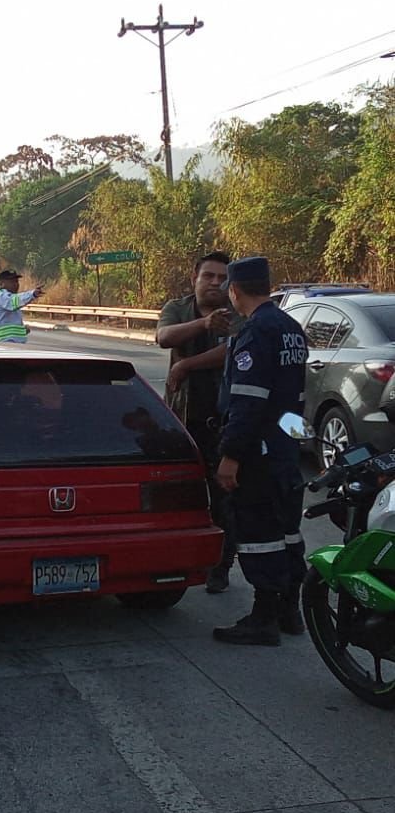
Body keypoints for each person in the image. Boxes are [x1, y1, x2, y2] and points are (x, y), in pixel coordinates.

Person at [212, 256, 308, 646]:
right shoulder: (290, 328)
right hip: (285, 449)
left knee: (258, 533)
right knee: (288, 531)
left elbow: (248, 402)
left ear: (235, 291)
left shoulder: (254, 333)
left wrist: (231, 455)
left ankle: (264, 617)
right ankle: (290, 608)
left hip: (259, 452)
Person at [156, 252, 243, 593]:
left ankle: (221, 566)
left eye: (223, 278)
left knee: (225, 500)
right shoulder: (179, 308)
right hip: (180, 421)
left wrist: (186, 365)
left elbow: (233, 350)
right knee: (176, 497)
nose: (215, 283)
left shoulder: (237, 312)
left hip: (222, 422)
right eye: (209, 276)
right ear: (195, 276)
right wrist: (203, 325)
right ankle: (174, 562)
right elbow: (164, 337)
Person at [0, 269, 44, 343]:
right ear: (2, 284)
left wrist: (22, 330)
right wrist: (32, 294)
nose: (16, 284)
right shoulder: (2, 296)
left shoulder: (8, 296)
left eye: (17, 281)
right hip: (7, 342)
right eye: (12, 282)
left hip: (13, 341)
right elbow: (14, 302)